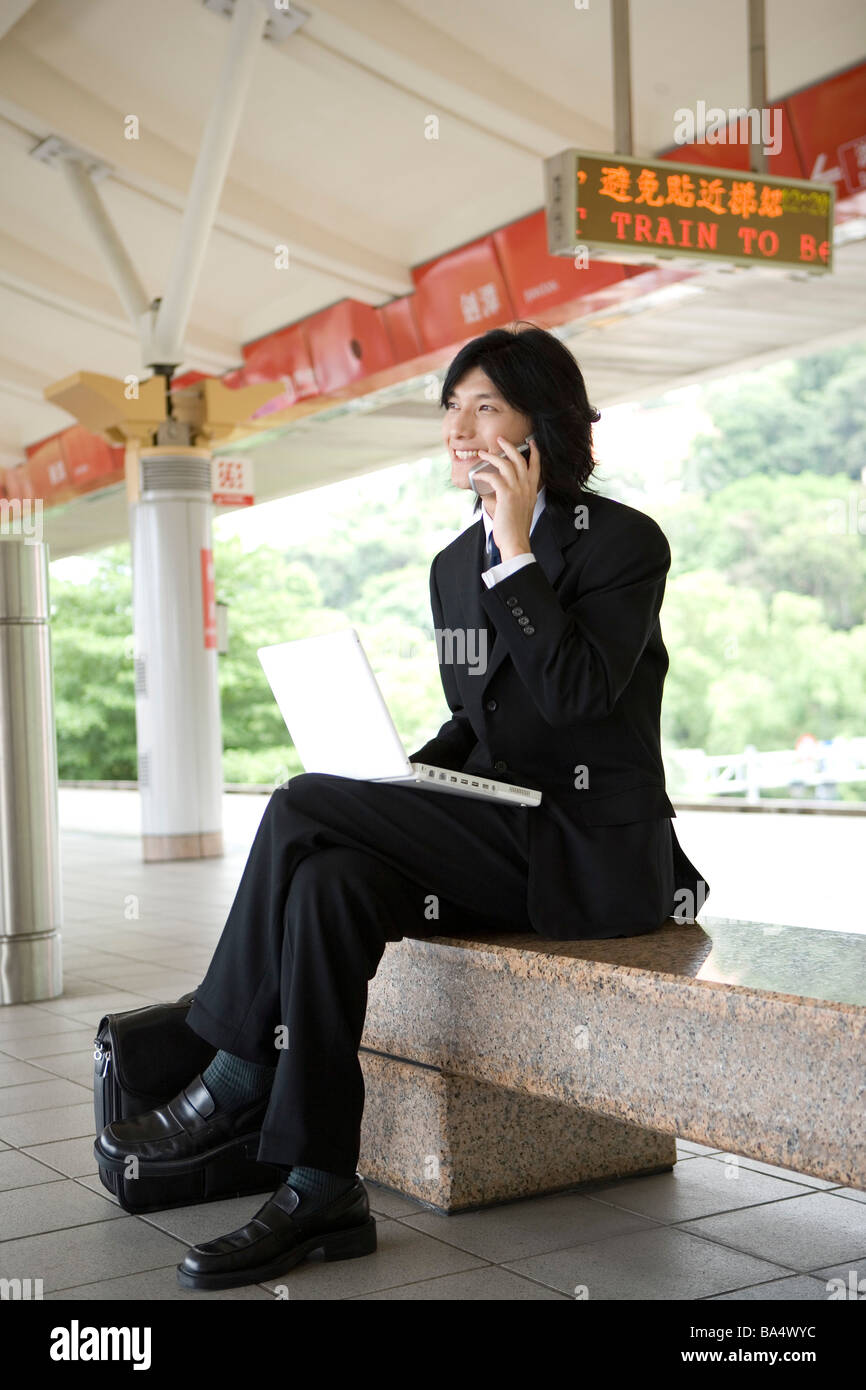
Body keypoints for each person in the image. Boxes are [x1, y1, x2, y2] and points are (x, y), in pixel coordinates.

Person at [95, 323, 709, 1291]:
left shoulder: (620, 542)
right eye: (450, 410)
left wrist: (516, 559)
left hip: (590, 850)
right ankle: (319, 1184)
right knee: (330, 884)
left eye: (485, 408)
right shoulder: (448, 566)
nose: (461, 431)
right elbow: (477, 717)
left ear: (539, 423)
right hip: (503, 828)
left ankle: (232, 1073)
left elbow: (579, 698)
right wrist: (409, 773)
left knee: (300, 806)